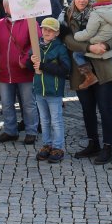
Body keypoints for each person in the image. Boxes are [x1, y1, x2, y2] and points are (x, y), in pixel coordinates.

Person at [64, 0, 112, 165]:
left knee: (105, 108)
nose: (82, 0)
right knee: (87, 109)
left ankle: (107, 147)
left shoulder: (102, 11)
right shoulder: (66, 16)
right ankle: (93, 143)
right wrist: (88, 47)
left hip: (103, 66)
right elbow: (67, 39)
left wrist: (106, 46)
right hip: (80, 71)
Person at [0, 0, 39, 145]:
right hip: (4, 72)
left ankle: (31, 131)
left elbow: (36, 43)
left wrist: (24, 61)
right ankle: (10, 131)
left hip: (24, 72)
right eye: (9, 5)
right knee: (6, 104)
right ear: (5, 8)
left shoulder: (30, 22)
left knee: (28, 104)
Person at [32, 17, 71, 163]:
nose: (46, 32)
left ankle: (58, 147)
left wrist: (43, 66)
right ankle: (46, 145)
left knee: (56, 120)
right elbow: (31, 65)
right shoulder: (37, 46)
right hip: (39, 90)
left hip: (53, 90)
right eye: (44, 29)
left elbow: (65, 69)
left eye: (50, 30)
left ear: (57, 33)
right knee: (44, 120)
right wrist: (30, 62)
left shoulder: (60, 48)